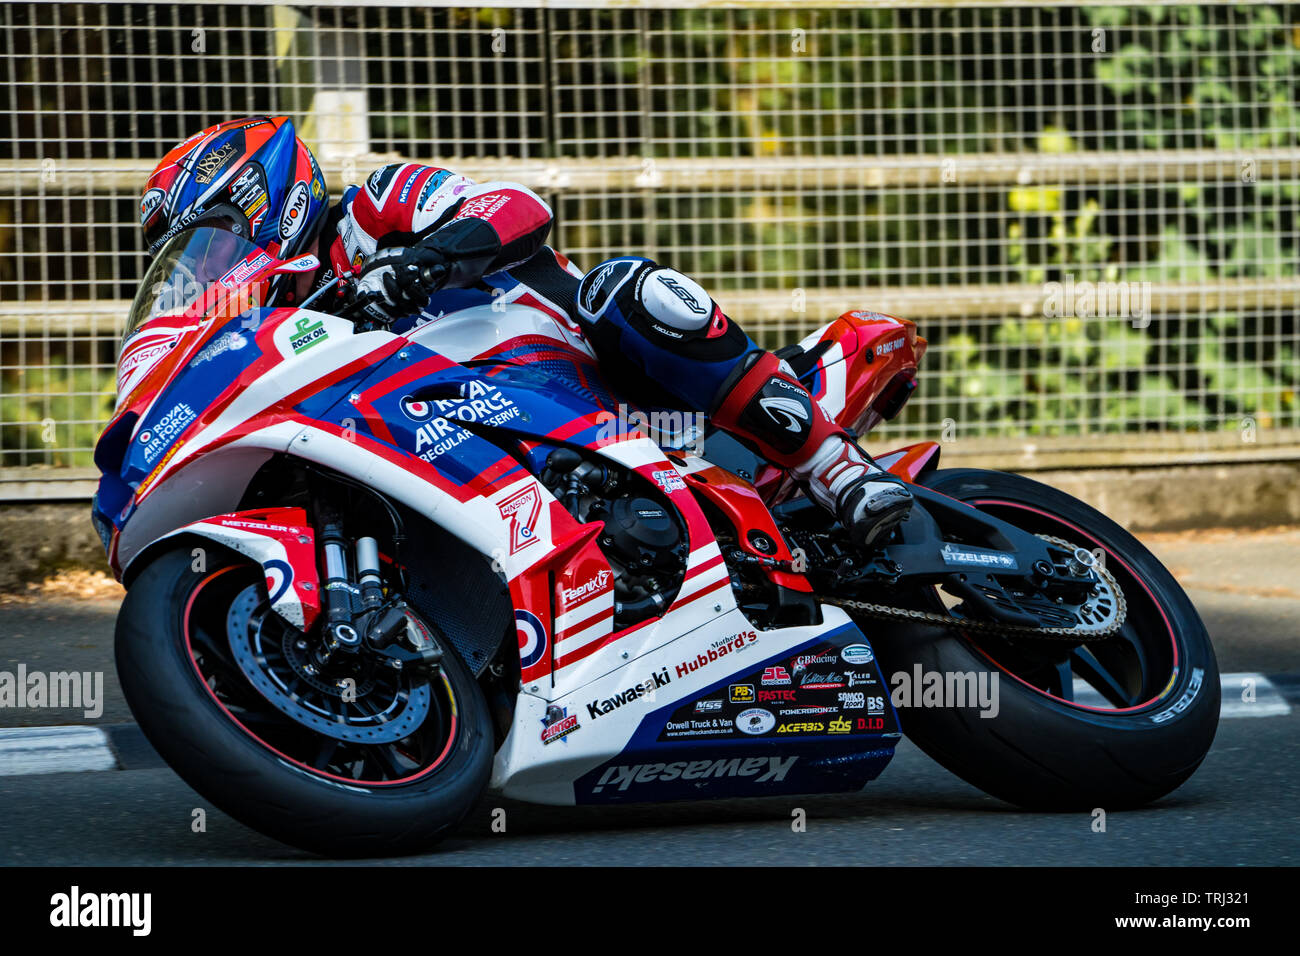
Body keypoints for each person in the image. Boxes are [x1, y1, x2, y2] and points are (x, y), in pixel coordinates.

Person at [139, 116, 913, 545]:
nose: (207, 267)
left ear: (261, 194)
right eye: (192, 261)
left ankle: (837, 469)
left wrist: (417, 266)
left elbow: (516, 208)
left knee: (632, 290)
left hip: (601, 381)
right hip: (469, 436)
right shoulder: (284, 327)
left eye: (210, 242)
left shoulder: (372, 208)